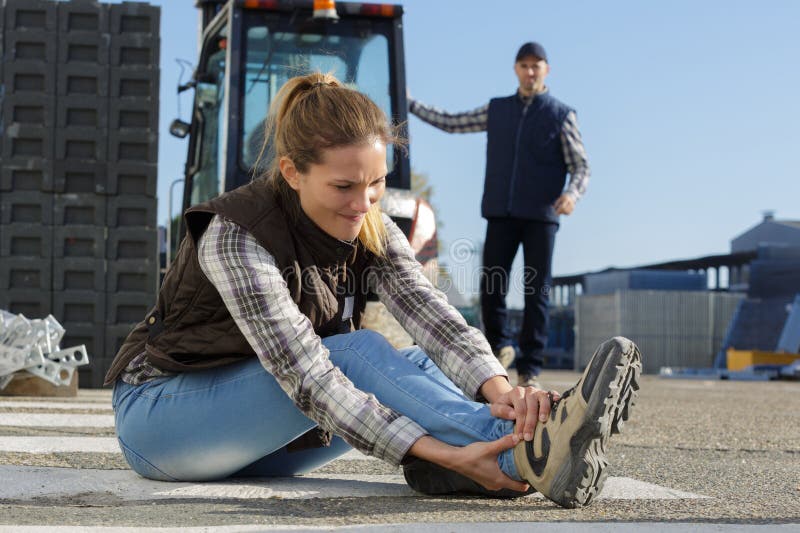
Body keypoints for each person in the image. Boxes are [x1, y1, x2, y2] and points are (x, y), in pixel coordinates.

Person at [104, 73, 637, 508]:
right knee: (359, 355)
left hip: (259, 437)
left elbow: (432, 316)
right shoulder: (237, 233)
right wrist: (446, 449)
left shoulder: (370, 225)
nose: (363, 203)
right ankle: (520, 454)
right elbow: (307, 374)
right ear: (291, 172)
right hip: (162, 425)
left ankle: (516, 440)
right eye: (344, 186)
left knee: (419, 368)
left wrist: (505, 395)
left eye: (376, 182)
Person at [408, 42, 591, 387]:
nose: (530, 71)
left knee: (537, 292)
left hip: (541, 216)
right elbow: (451, 123)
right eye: (524, 65)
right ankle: (500, 347)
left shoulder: (562, 115)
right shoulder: (497, 110)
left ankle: (531, 369)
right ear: (515, 70)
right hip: (501, 214)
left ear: (546, 70)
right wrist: (412, 104)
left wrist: (572, 194)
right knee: (491, 287)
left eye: (536, 65)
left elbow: (581, 165)